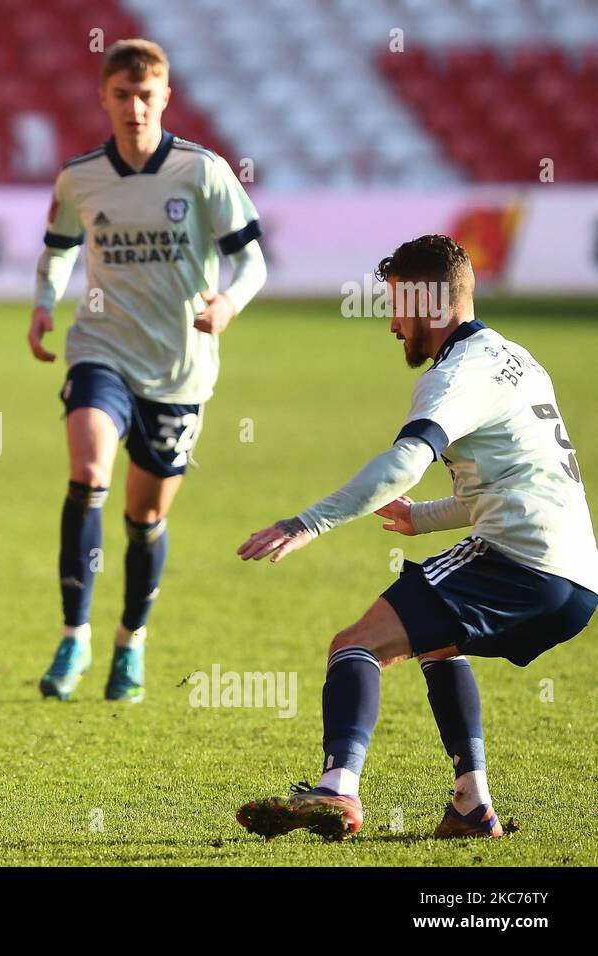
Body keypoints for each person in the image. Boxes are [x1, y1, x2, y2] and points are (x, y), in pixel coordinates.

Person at [236, 235, 598, 840]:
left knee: (354, 645)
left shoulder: (455, 376)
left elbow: (404, 462)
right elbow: (511, 482)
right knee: (437, 643)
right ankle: (470, 804)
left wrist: (307, 522)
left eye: (398, 305)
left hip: (521, 560)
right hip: (577, 578)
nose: (393, 325)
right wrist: (422, 518)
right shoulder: (516, 358)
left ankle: (338, 789)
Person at [29, 39, 267, 702]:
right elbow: (58, 249)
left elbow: (253, 259)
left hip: (180, 369)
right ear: (105, 98)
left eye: (146, 95)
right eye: (122, 95)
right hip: (101, 349)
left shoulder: (202, 171)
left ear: (165, 98)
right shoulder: (80, 177)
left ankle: (129, 643)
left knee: (145, 517)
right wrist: (45, 305)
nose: (135, 107)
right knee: (89, 473)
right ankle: (74, 636)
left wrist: (229, 301)